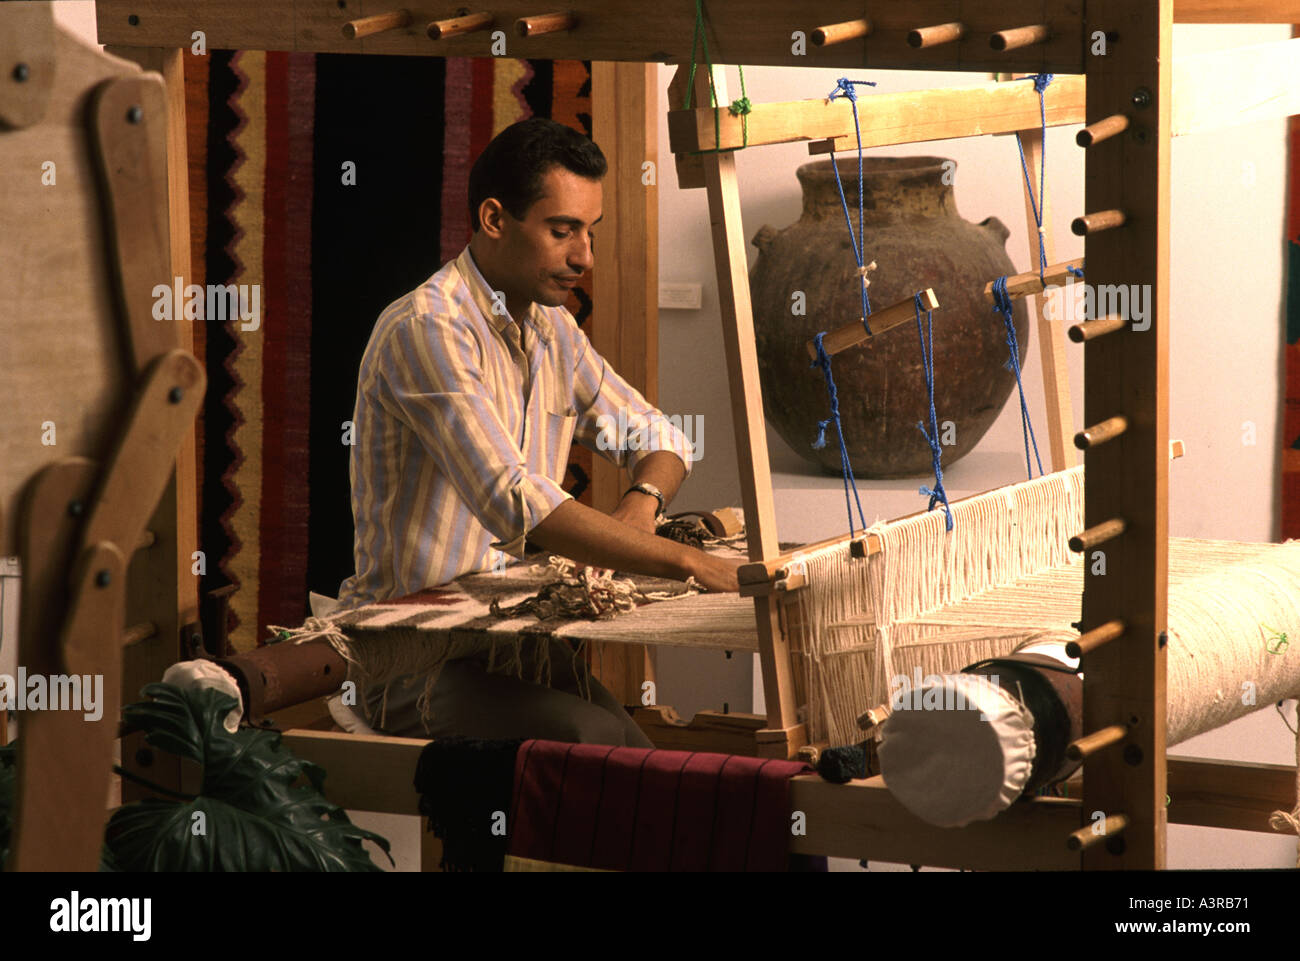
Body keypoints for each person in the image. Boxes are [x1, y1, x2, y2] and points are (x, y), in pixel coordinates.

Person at [332, 117, 744, 746]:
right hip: (408, 656)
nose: (583, 256)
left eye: (589, 233)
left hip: (512, 639)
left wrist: (644, 501)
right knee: (591, 746)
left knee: (636, 750)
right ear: (495, 219)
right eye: (562, 231)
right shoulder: (429, 329)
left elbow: (661, 436)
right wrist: (686, 562)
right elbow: (515, 501)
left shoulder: (551, 331)